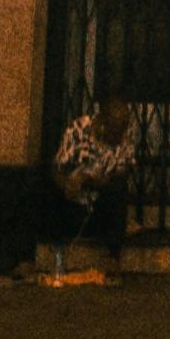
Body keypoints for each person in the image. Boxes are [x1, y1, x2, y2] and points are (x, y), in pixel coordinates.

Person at [40, 96, 138, 285]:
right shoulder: (78, 130)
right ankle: (37, 254)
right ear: (102, 122)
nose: (117, 138)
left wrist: (94, 179)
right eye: (114, 132)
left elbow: (123, 169)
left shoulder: (125, 136)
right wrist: (68, 184)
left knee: (118, 190)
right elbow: (58, 167)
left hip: (100, 202)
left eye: (120, 131)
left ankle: (112, 258)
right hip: (74, 202)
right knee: (44, 186)